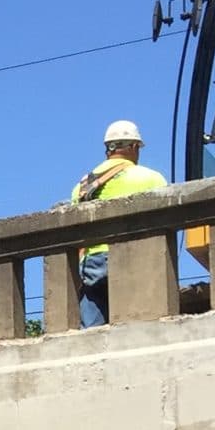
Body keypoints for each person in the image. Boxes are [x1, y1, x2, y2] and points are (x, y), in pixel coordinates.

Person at [67, 119, 168, 326]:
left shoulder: (82, 186)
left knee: (93, 335)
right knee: (141, 326)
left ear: (108, 149)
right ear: (133, 146)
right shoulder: (150, 178)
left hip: (92, 264)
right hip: (134, 261)